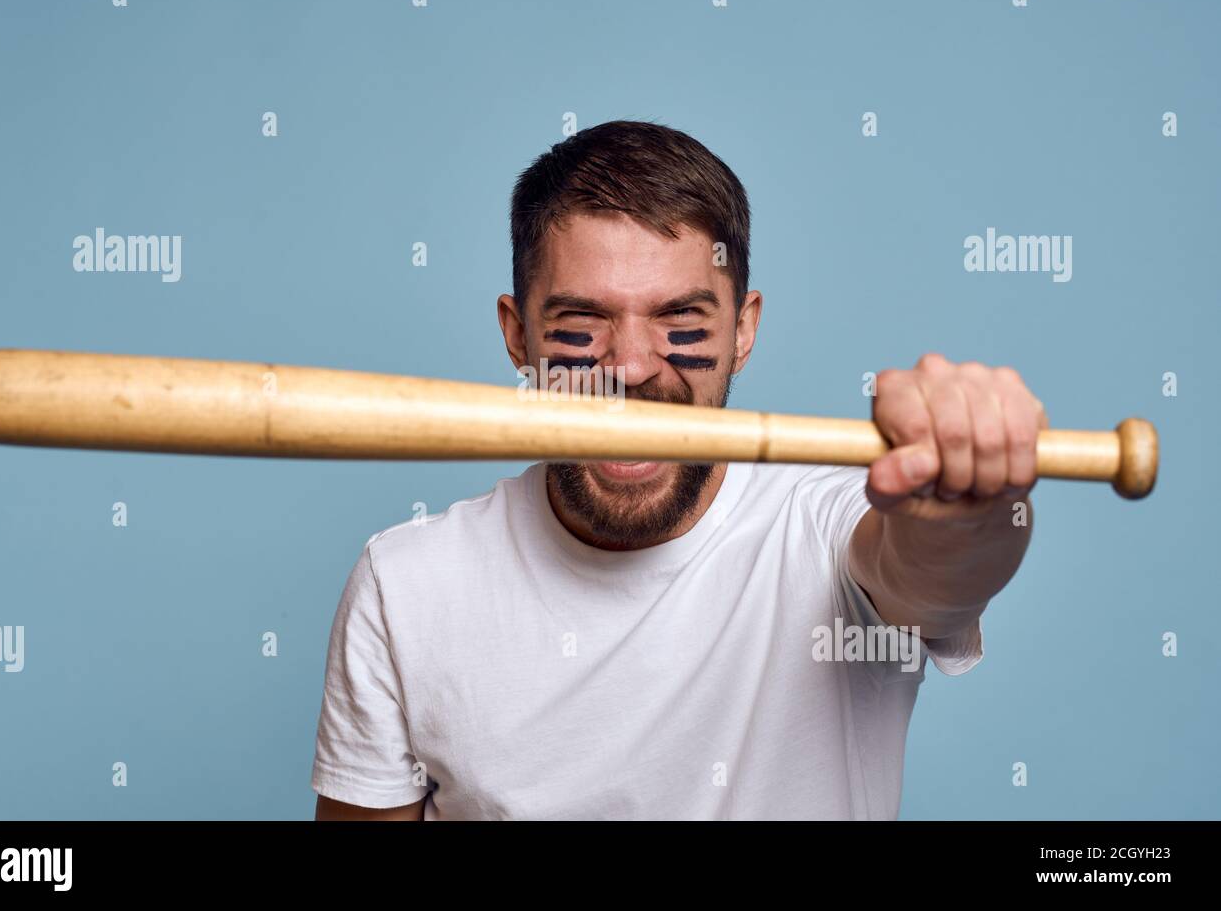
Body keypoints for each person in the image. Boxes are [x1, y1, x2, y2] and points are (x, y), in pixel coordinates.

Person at [311, 120, 1045, 820]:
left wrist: (967, 506)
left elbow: (932, 574)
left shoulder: (825, 535)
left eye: (682, 323)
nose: (630, 367)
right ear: (517, 335)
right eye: (579, 325)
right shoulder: (406, 585)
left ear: (743, 329)